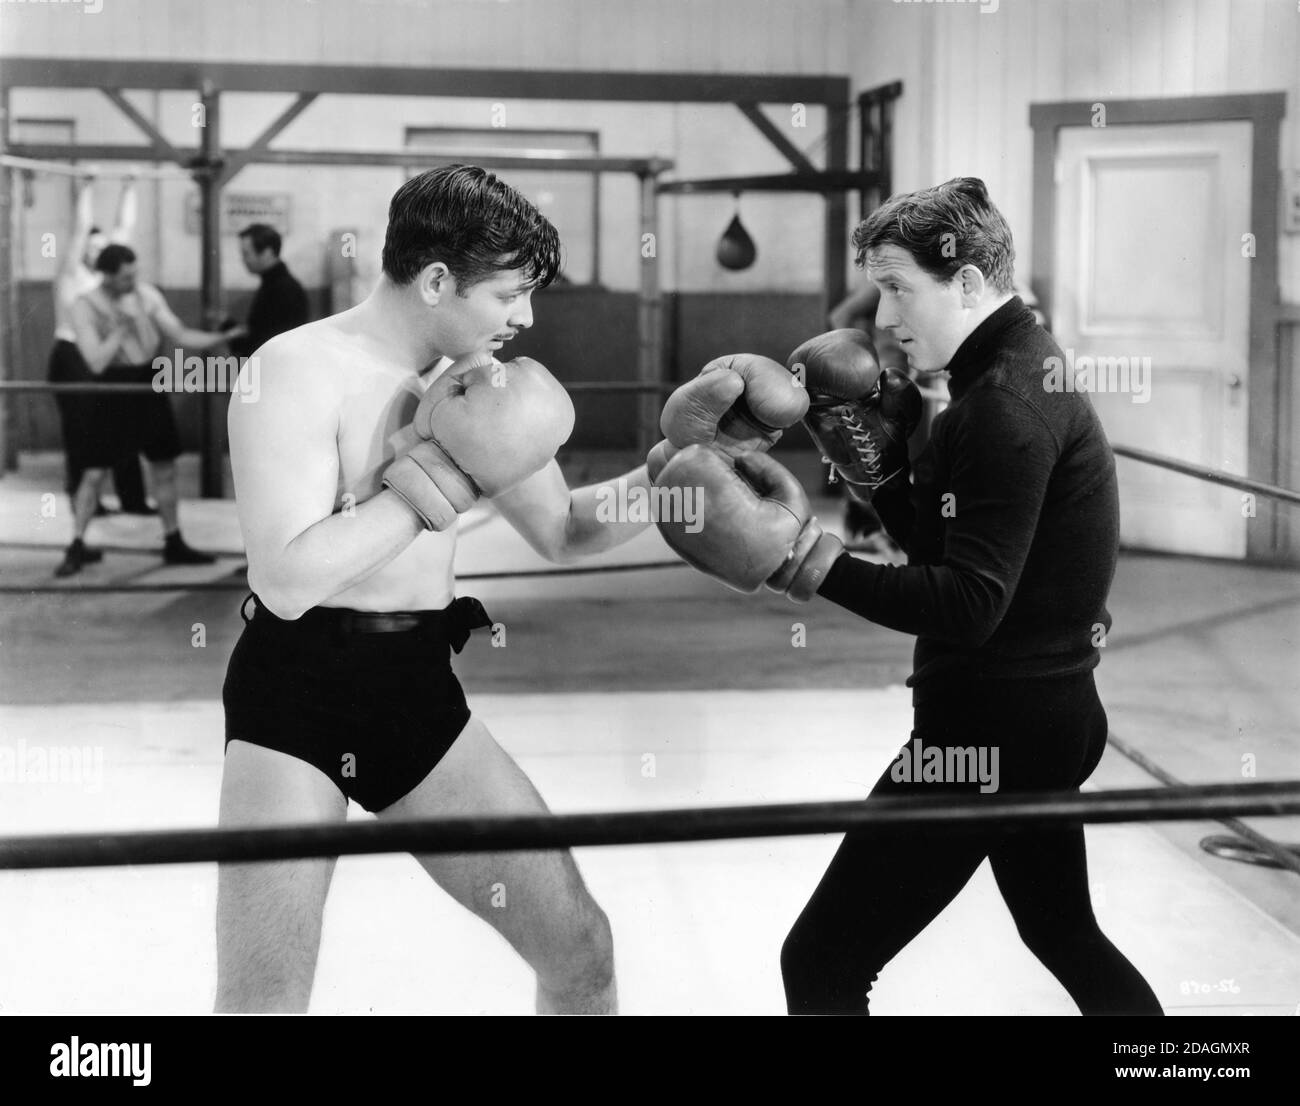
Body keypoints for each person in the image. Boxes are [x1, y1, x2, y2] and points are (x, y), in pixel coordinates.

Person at [216, 165, 809, 1014]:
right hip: (294, 698)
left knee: (581, 951)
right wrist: (446, 473)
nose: (524, 318)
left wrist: (687, 471)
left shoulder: (480, 382)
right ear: (434, 281)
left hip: (415, 689)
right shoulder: (298, 367)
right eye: (507, 295)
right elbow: (284, 580)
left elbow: (564, 528)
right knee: (261, 1005)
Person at [653, 177, 1163, 1016]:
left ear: (964, 282)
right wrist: (878, 469)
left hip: (989, 735)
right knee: (1064, 934)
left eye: (898, 288)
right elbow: (953, 547)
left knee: (820, 960)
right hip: (1046, 715)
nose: (883, 316)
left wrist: (803, 558)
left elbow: (969, 603)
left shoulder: (1000, 407)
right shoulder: (1012, 368)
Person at [56, 245, 241, 577]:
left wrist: (224, 337)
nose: (132, 280)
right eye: (125, 276)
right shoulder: (84, 306)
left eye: (134, 273)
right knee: (95, 472)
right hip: (111, 388)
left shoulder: (146, 294)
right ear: (107, 275)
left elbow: (181, 334)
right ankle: (77, 544)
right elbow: (96, 361)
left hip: (148, 384)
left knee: (164, 467)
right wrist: (120, 328)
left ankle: (173, 541)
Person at [49, 175, 152, 519]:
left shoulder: (106, 281)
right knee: (81, 433)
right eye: (91, 248)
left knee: (118, 425)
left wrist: (129, 188)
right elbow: (81, 230)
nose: (96, 251)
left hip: (102, 356)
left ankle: (132, 500)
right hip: (71, 357)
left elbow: (125, 230)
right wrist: (87, 187)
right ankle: (86, 506)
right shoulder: (72, 275)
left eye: (101, 248)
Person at [228, 223, 310, 357]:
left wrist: (229, 330)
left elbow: (265, 343)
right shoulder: (275, 284)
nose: (243, 259)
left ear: (267, 253)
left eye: (246, 253)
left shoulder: (283, 289)